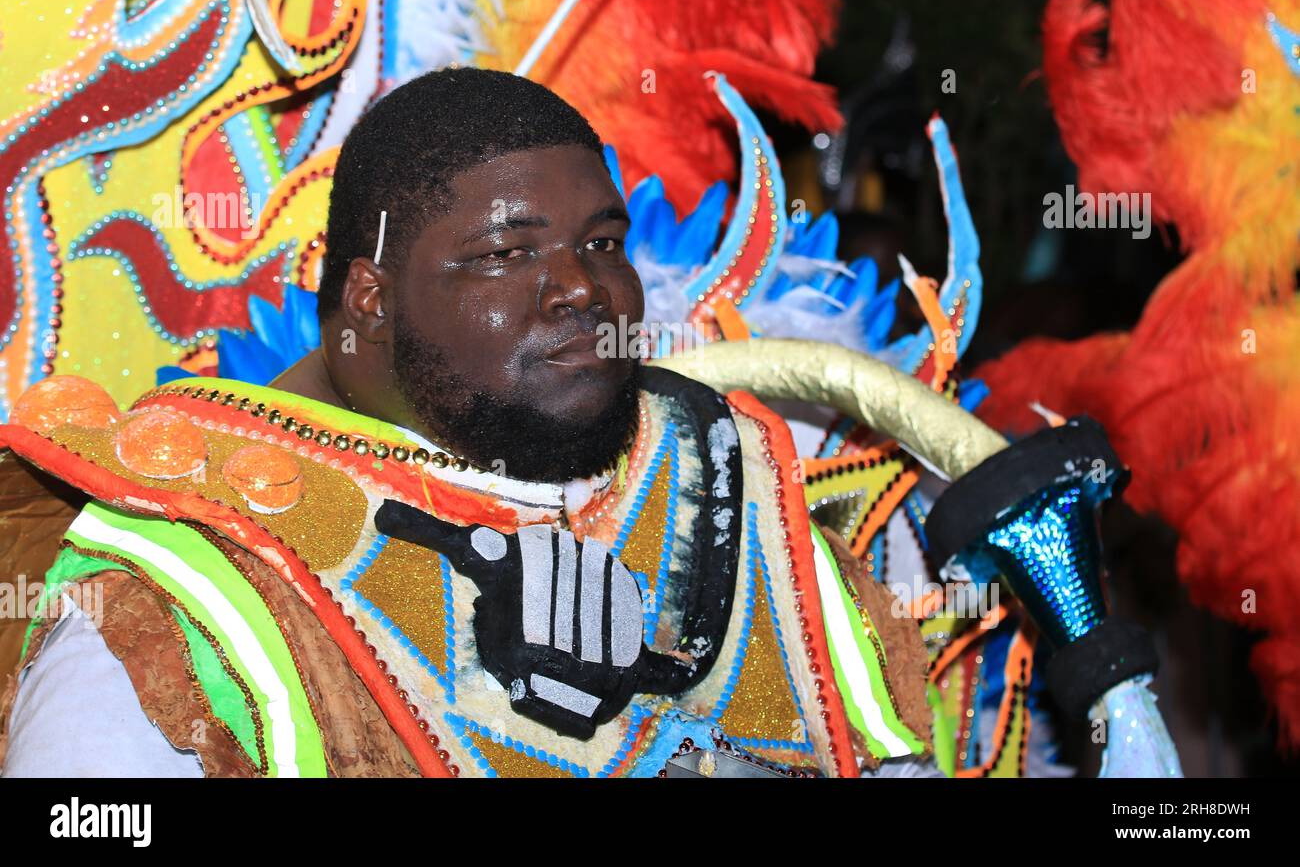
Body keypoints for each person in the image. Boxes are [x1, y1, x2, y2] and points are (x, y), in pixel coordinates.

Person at [0, 68, 935, 777]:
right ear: (369, 297)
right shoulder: (183, 598)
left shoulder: (727, 492)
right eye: (506, 252)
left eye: (602, 244)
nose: (582, 287)